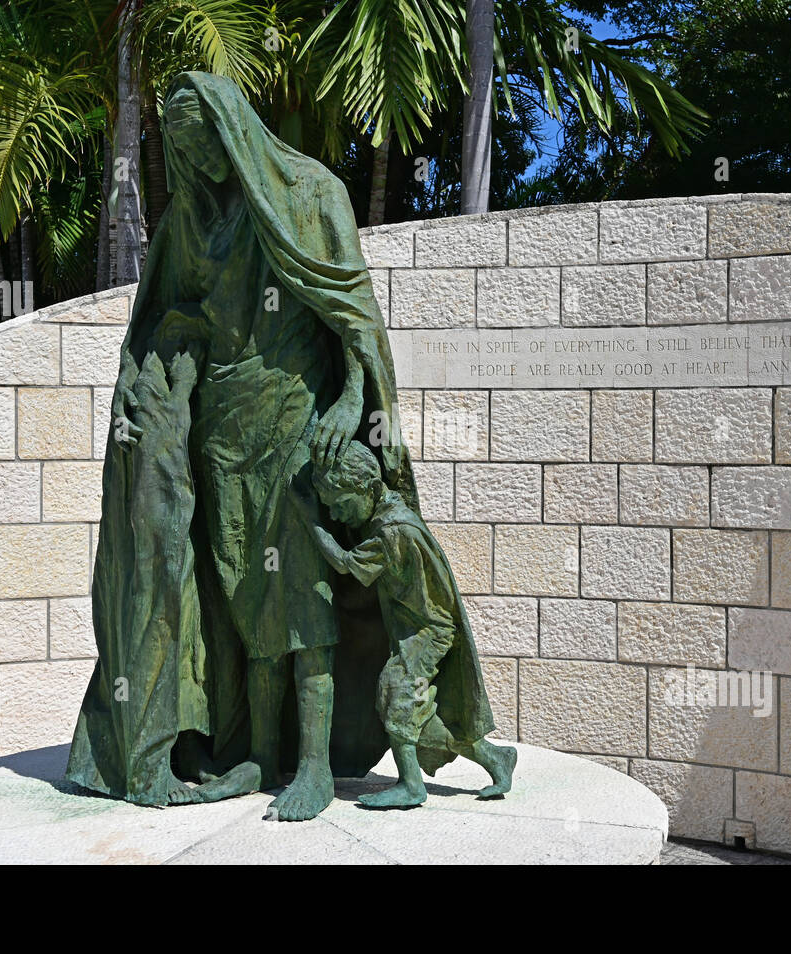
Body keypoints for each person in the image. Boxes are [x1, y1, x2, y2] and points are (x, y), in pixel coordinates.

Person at [67, 73, 418, 820]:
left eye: (205, 140)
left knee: (304, 596)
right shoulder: (189, 220)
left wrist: (355, 397)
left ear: (233, 125)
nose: (198, 158)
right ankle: (260, 753)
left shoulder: (314, 192)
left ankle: (316, 765)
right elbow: (170, 313)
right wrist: (159, 386)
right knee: (244, 598)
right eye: (184, 148)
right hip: (223, 431)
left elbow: (353, 310)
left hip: (298, 417)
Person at [291, 440, 515, 808]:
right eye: (329, 508)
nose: (337, 514)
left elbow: (346, 563)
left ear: (370, 488)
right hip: (414, 626)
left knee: (397, 690)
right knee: (409, 703)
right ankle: (494, 757)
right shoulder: (388, 516)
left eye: (340, 504)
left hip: (429, 629)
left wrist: (310, 518)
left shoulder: (392, 531)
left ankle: (411, 785)